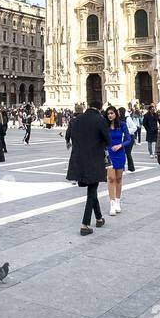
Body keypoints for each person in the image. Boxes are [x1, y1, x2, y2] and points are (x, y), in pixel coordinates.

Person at [67, 100, 109, 235]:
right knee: (92, 191)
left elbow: (72, 137)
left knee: (93, 188)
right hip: (94, 159)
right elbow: (108, 140)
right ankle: (85, 225)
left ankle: (99, 218)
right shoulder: (100, 120)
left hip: (79, 160)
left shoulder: (77, 120)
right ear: (99, 108)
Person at [104, 106, 131, 215]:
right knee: (111, 178)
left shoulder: (122, 125)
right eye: (108, 114)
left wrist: (120, 145)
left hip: (120, 153)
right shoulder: (104, 126)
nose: (110, 115)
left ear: (116, 114)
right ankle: (112, 203)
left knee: (119, 178)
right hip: (109, 154)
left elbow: (129, 139)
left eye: (111, 113)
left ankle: (118, 201)